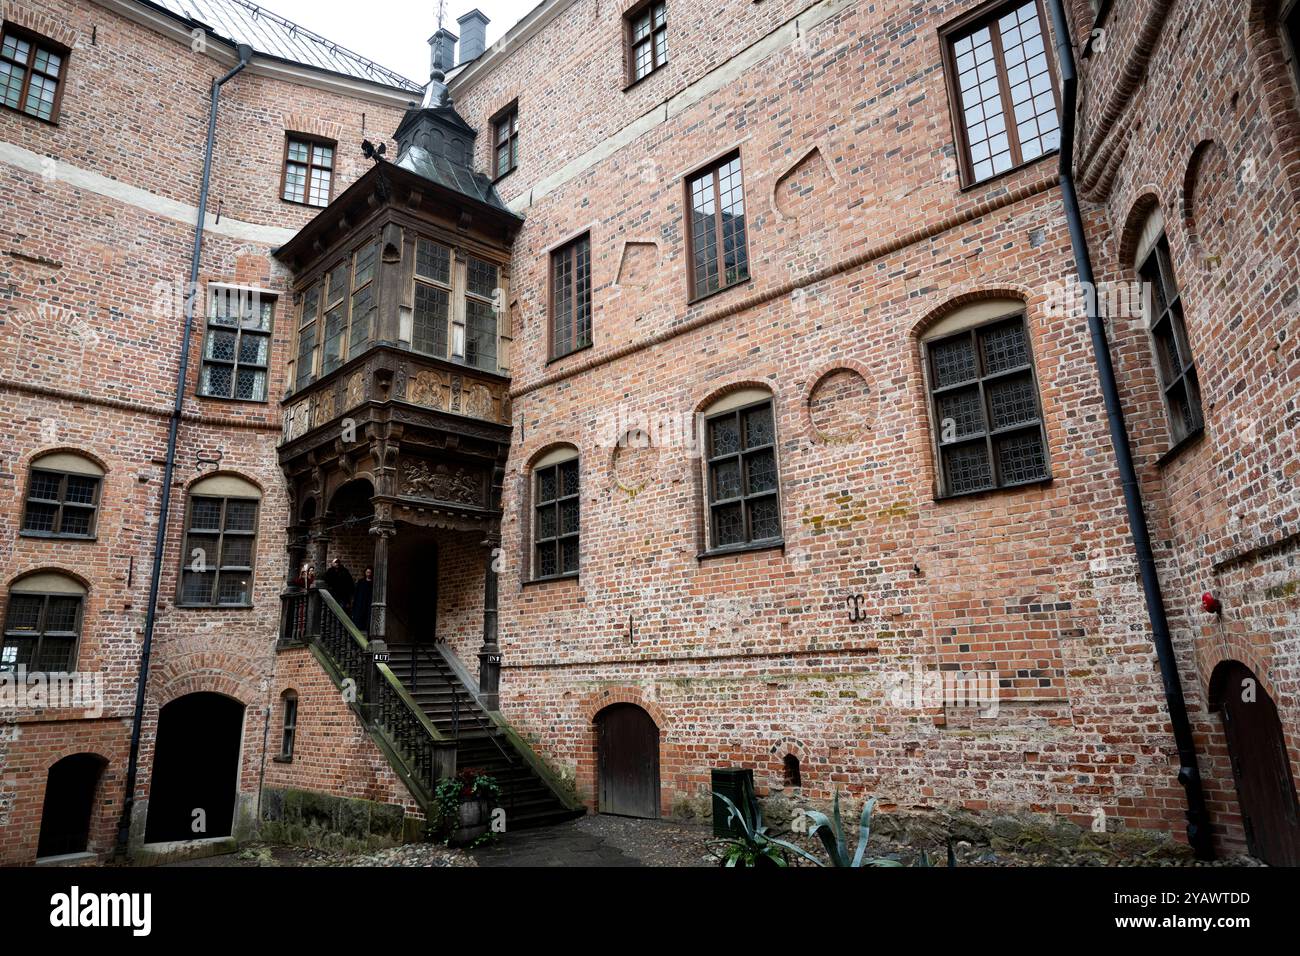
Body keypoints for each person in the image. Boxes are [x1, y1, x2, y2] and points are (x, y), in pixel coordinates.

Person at [351, 566, 374, 633]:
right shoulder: (361, 582)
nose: (368, 574)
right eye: (367, 572)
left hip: (369, 602)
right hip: (361, 601)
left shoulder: (373, 583)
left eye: (370, 572)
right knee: (359, 615)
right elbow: (356, 592)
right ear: (365, 573)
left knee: (368, 616)